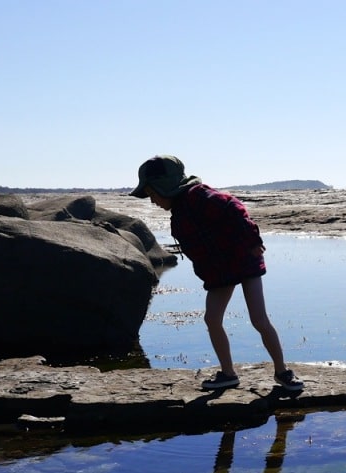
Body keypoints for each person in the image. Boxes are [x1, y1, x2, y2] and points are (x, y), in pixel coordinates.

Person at [130, 155, 303, 391]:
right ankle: (228, 373)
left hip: (245, 261)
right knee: (212, 319)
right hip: (220, 271)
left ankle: (283, 372)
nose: (152, 201)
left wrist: (253, 239)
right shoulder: (181, 210)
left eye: (152, 194)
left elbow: (234, 207)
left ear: (165, 186)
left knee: (259, 319)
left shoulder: (198, 196)